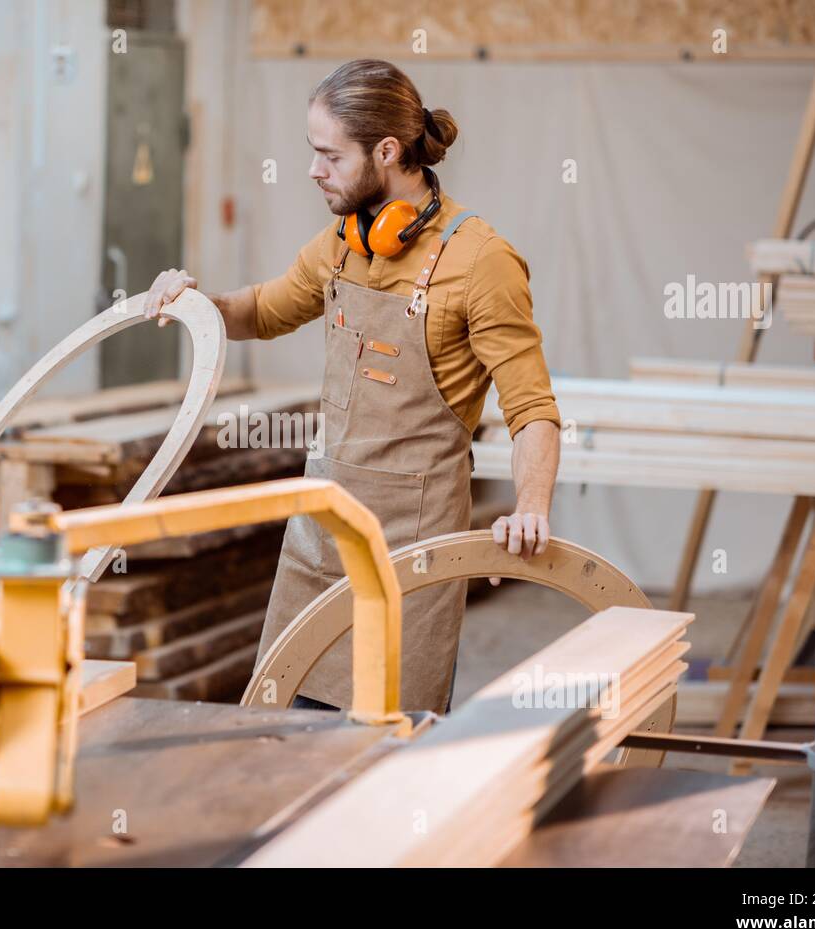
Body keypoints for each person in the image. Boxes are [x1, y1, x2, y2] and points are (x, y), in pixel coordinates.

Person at [145, 59, 560, 715]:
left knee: (383, 748)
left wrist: (531, 505)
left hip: (412, 557)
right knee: (282, 731)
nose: (314, 170)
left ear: (387, 152)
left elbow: (532, 407)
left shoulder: (481, 262)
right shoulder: (341, 245)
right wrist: (195, 303)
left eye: (328, 155)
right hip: (321, 540)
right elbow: (261, 311)